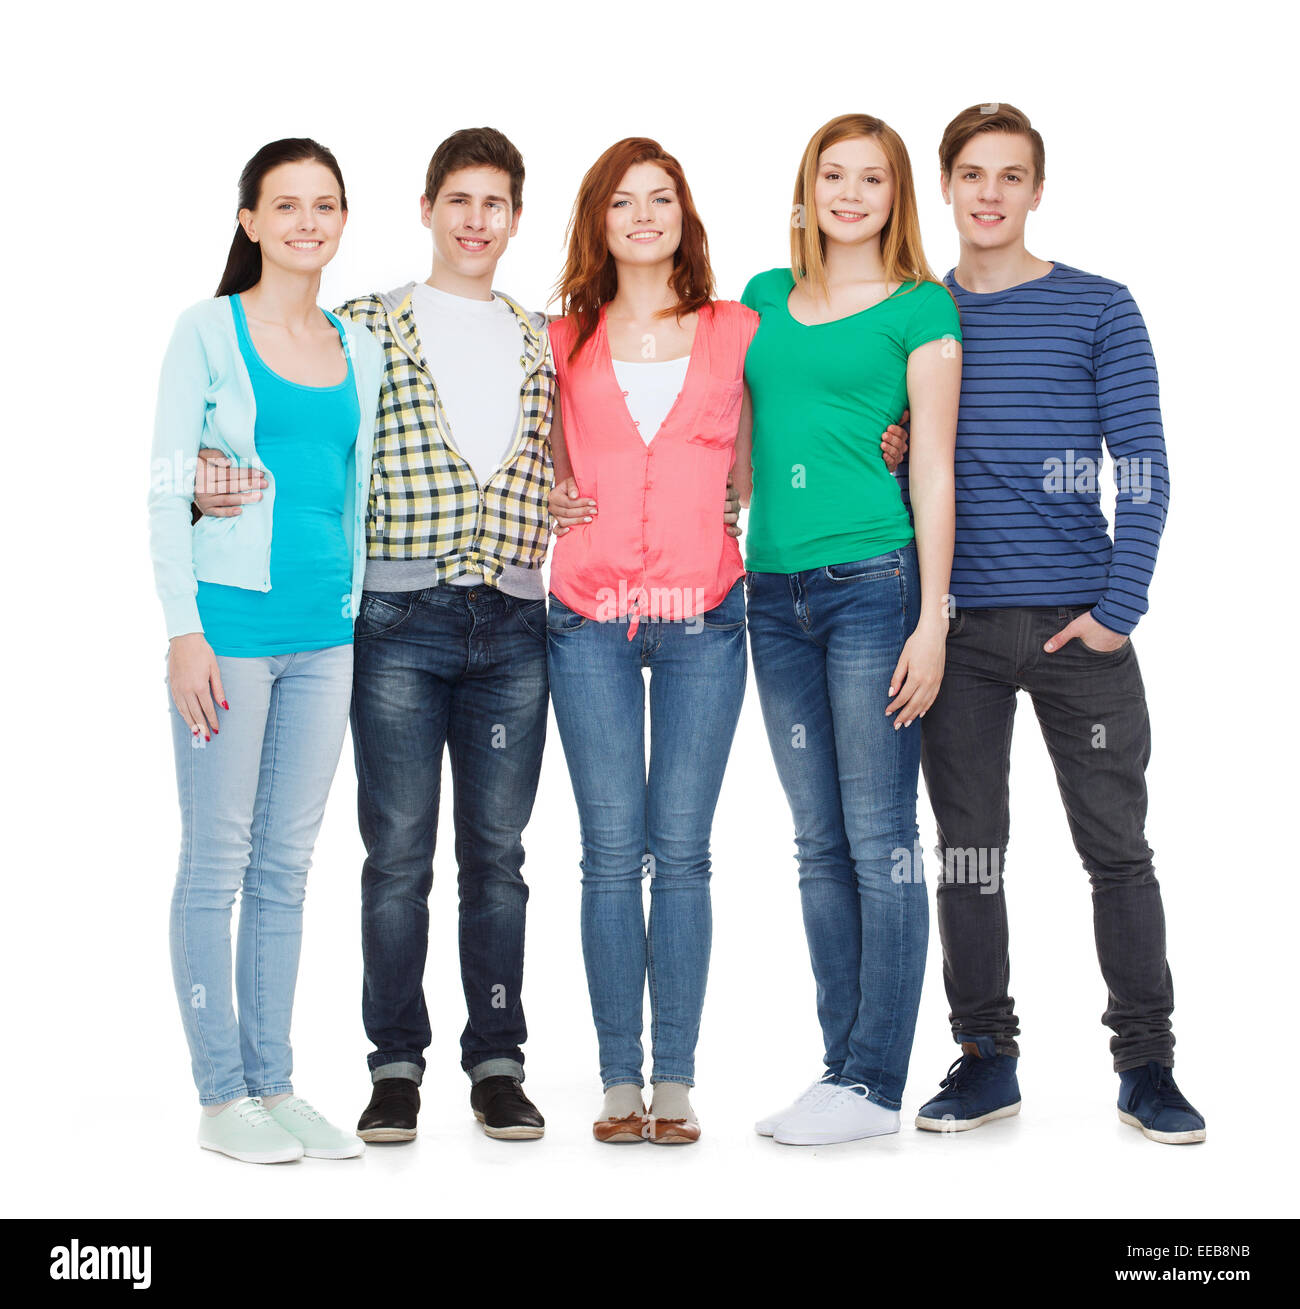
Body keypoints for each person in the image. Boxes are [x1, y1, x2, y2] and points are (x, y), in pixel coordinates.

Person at [195, 128, 554, 1144]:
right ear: (428, 209)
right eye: (459, 200)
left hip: (515, 623)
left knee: (498, 854)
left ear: (516, 218)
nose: (476, 219)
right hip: (394, 621)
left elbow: (588, 448)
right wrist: (203, 494)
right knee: (395, 852)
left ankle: (496, 1061)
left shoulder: (542, 337)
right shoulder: (362, 326)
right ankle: (394, 1064)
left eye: (495, 203)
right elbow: (271, 429)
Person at [897, 103, 1204, 1144]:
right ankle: (986, 1058)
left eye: (1010, 176)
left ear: (1036, 191)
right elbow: (888, 464)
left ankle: (1147, 1064)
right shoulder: (912, 315)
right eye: (971, 173)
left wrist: (1118, 610)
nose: (989, 193)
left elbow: (1145, 466)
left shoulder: (1098, 308)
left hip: (1082, 633)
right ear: (943, 185)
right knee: (968, 853)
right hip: (960, 635)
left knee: (1116, 850)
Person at [149, 138, 383, 1163]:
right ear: (248, 220)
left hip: (326, 634)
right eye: (283, 205)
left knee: (287, 865)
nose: (305, 221)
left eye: (323, 204)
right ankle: (219, 1095)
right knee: (218, 861)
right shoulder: (206, 330)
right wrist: (182, 630)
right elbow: (168, 481)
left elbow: (351, 493)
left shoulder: (352, 343)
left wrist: (354, 607)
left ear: (342, 220)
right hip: (231, 632)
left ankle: (274, 1082)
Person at [741, 114, 961, 1147]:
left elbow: (930, 465)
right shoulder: (760, 299)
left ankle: (875, 1081)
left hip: (871, 583)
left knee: (880, 840)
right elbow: (731, 444)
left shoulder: (921, 309)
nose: (849, 192)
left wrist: (932, 618)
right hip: (769, 595)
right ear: (808, 187)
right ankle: (840, 1071)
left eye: (871, 177)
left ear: (894, 195)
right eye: (833, 174)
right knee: (817, 842)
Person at [544, 138, 755, 1144]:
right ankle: (615, 1080)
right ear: (598, 220)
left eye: (658, 198)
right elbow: (530, 456)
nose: (641, 214)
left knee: (681, 851)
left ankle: (674, 1079)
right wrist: (545, 494)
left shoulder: (736, 328)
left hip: (703, 617)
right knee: (605, 851)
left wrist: (885, 444)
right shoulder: (559, 337)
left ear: (683, 213)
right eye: (621, 201)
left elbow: (771, 449)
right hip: (585, 614)